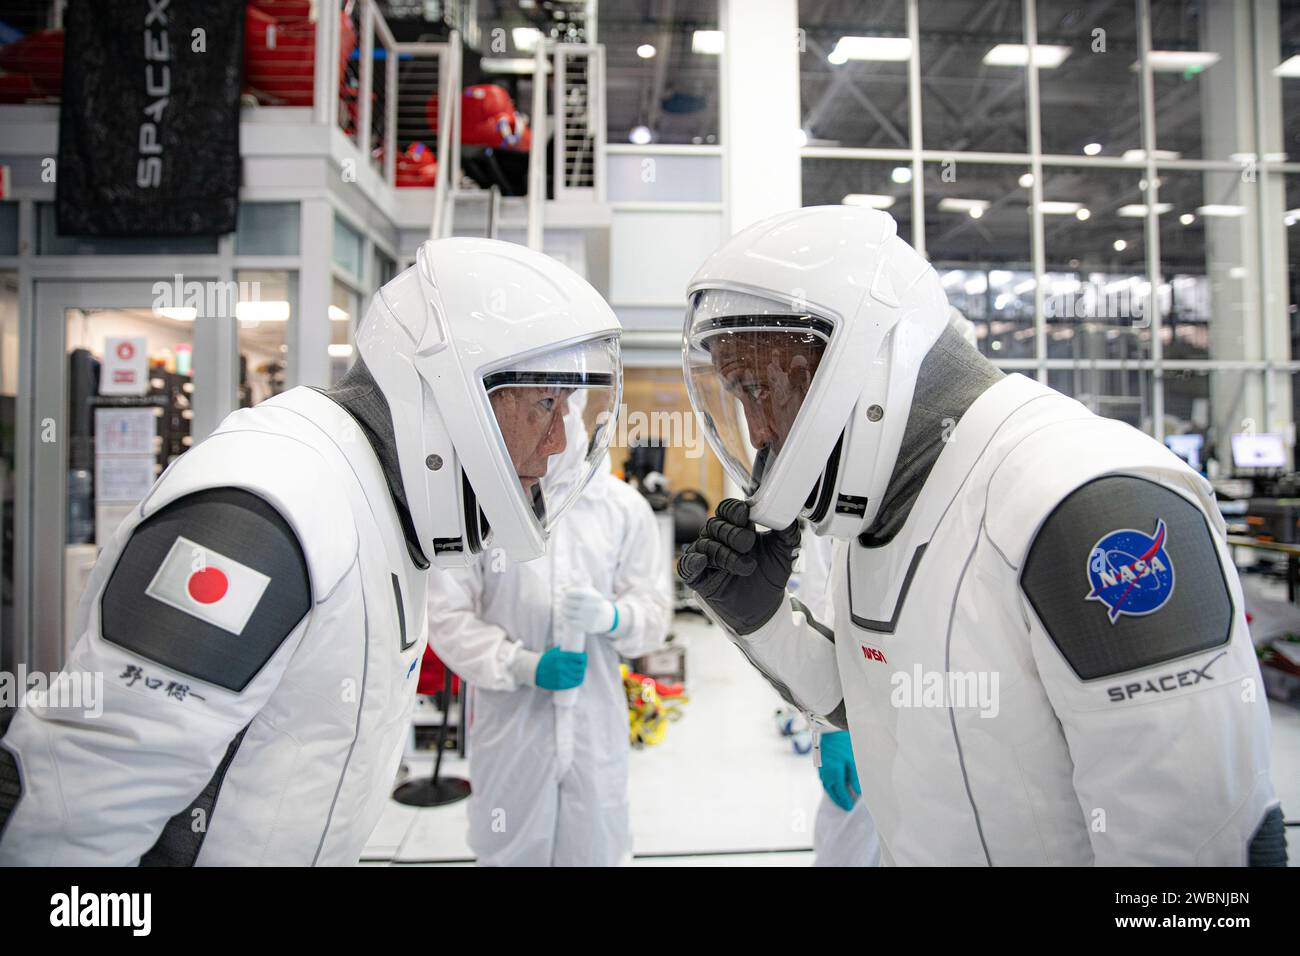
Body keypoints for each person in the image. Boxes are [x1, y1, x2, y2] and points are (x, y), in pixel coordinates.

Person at [677, 205, 1286, 866]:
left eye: (758, 389)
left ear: (857, 359)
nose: (759, 434)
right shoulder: (883, 498)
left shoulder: (1089, 501)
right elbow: (889, 710)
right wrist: (768, 625)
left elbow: (1202, 859)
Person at [0, 238, 622, 865]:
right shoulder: (268, 505)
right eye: (546, 404)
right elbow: (78, 816)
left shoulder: (386, 503)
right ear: (452, 390)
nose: (554, 447)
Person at [426, 396, 670, 866]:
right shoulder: (479, 506)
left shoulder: (619, 508)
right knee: (508, 849)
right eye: (533, 404)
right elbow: (447, 616)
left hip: (594, 724)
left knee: (597, 848)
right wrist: (520, 663)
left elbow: (654, 614)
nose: (548, 425)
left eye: (554, 404)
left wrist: (614, 618)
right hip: (511, 726)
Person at [788, 526, 880, 868]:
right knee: (853, 843)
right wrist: (828, 726)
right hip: (859, 714)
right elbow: (818, 604)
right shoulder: (845, 488)